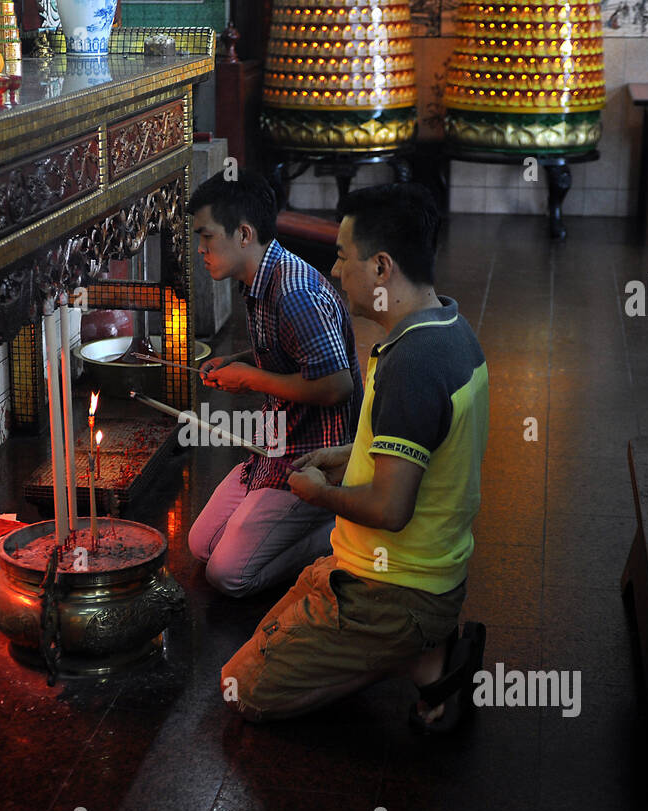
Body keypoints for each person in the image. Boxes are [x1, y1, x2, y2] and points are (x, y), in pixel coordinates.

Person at [220, 183, 490, 733]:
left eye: (344, 257)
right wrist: (348, 454)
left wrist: (320, 495)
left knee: (241, 688)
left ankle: (419, 657)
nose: (335, 271)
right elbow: (424, 448)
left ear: (382, 267)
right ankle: (416, 646)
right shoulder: (447, 327)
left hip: (396, 588)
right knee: (267, 632)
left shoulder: (414, 364)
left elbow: (391, 509)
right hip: (388, 569)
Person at [187, 170, 363, 597]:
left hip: (310, 459)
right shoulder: (259, 280)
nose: (200, 249)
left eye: (207, 237)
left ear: (244, 234)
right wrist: (239, 362)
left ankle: (335, 530)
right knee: (200, 545)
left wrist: (251, 378)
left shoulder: (294, 291)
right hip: (271, 449)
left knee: (228, 575)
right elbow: (286, 353)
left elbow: (337, 386)